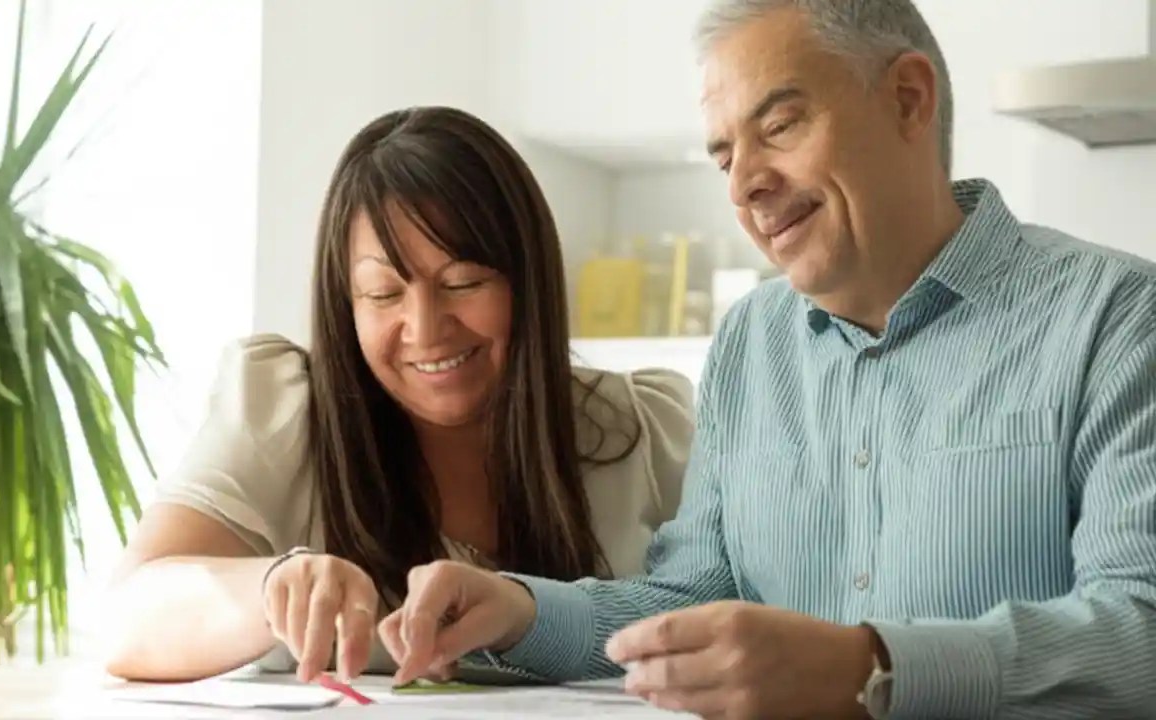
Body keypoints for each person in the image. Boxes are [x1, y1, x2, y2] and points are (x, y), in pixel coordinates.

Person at [378, 2, 1156, 718]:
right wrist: (522, 613)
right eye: (724, 158)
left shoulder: (1117, 318)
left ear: (909, 99)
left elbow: (1141, 628)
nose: (746, 185)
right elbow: (692, 599)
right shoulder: (750, 342)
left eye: (779, 127)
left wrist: (874, 667)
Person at [98, 106, 696, 683]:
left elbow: (737, 611)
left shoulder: (640, 430)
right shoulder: (282, 410)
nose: (426, 328)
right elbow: (128, 619)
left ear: (529, 281)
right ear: (345, 304)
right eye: (383, 294)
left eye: (463, 283)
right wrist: (275, 587)